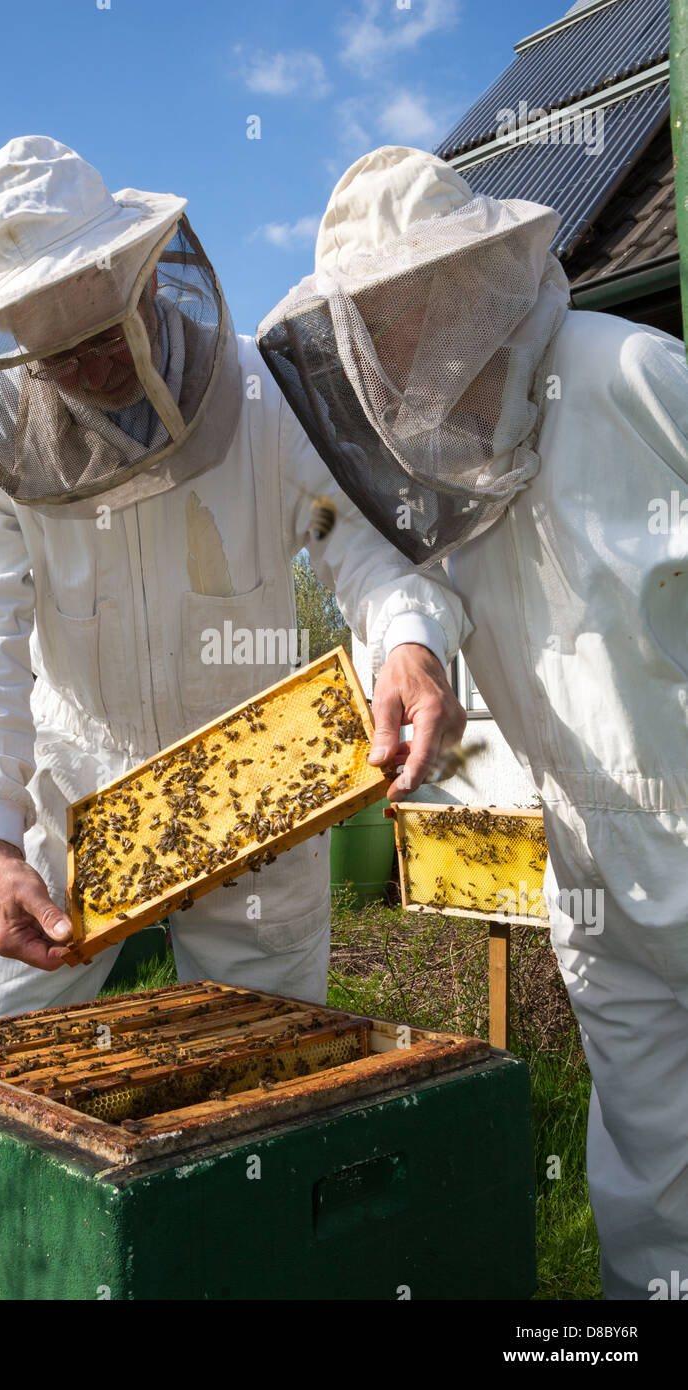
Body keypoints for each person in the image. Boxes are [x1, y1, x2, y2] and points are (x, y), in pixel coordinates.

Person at [256, 145, 688, 1301]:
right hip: (603, 900)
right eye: (373, 321)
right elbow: (416, 603)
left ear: (482, 279)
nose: (404, 342)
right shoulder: (430, 481)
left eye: (420, 300)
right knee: (649, 1212)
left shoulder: (634, 375)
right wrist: (409, 653)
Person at [0, 135, 469, 1028]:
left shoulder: (259, 392)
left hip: (257, 784)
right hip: (78, 789)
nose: (91, 372)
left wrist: (408, 640)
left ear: (139, 277)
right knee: (1, 1053)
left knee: (266, 1060)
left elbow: (351, 535)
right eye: (58, 358)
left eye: (101, 338)